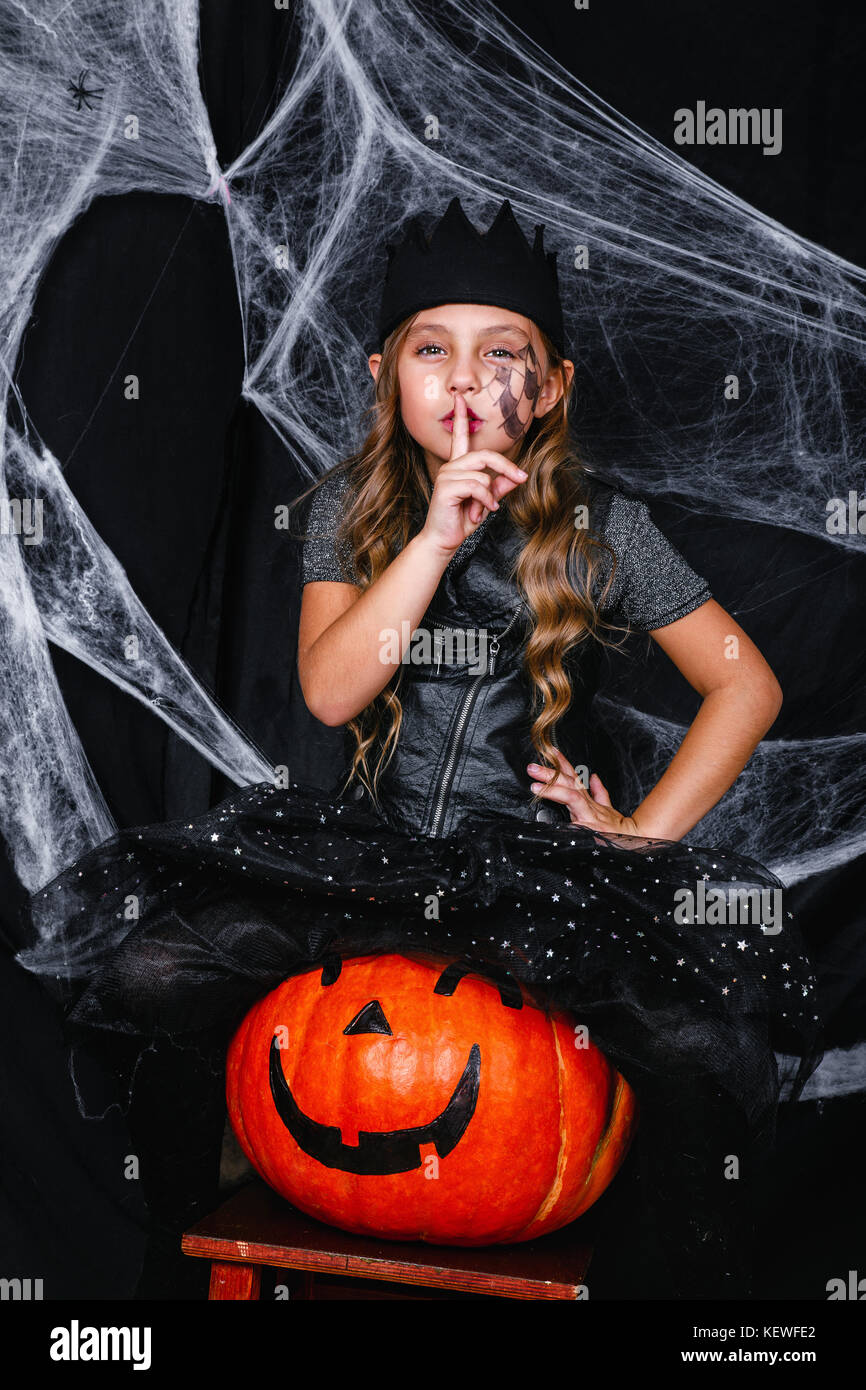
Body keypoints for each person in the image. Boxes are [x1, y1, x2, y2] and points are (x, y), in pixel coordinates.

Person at [18, 197, 823, 1299]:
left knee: (690, 1051)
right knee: (156, 967)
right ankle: (182, 1258)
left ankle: (677, 1311)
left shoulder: (605, 531)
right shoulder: (350, 508)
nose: (464, 379)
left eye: (504, 355)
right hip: (373, 855)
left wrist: (638, 838)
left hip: (531, 872)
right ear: (384, 373)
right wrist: (435, 538)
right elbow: (330, 684)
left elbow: (744, 683)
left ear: (551, 389)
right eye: (430, 350)